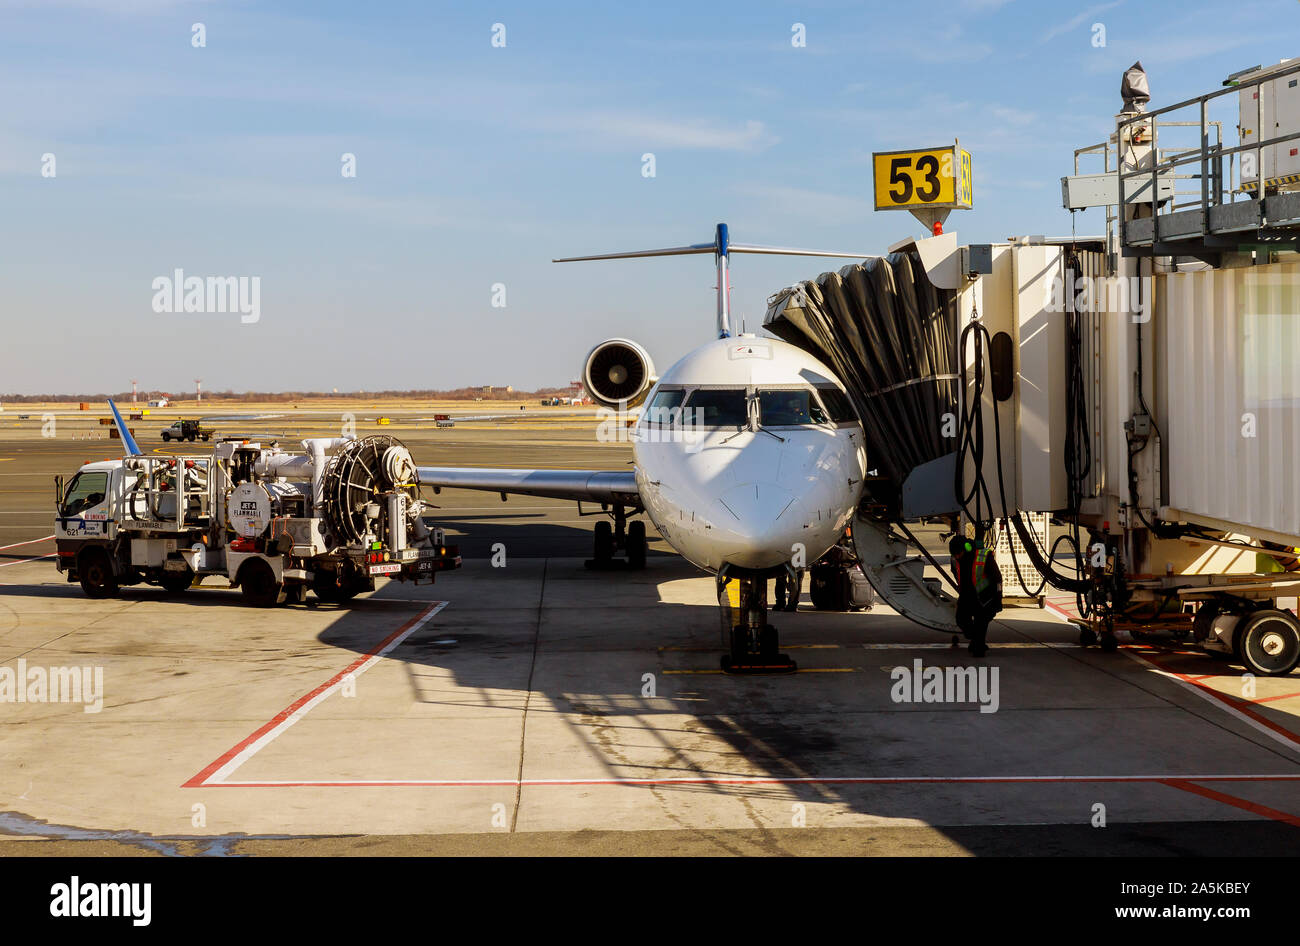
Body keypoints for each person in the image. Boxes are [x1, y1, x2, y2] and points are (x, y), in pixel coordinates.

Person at [950, 535, 1003, 657]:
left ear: (966, 548)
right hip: (967, 596)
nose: (956, 557)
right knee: (961, 620)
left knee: (981, 626)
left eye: (958, 554)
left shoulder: (983, 556)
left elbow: (997, 579)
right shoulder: (955, 559)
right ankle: (976, 639)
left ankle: (978, 644)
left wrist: (998, 598)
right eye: (954, 555)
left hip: (985, 598)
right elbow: (957, 575)